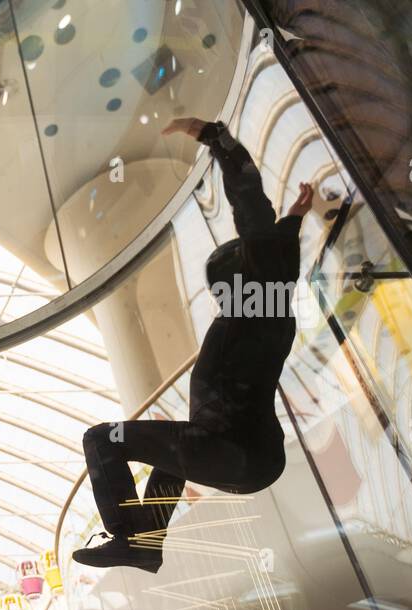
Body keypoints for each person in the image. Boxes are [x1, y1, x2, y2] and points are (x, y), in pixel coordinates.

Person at [74, 117, 315, 572]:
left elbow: (251, 208)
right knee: (170, 451)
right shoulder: (266, 306)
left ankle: (131, 539)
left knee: (102, 439)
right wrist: (294, 222)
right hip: (237, 453)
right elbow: (271, 248)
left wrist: (215, 137)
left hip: (233, 449)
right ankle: (144, 541)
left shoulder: (257, 305)